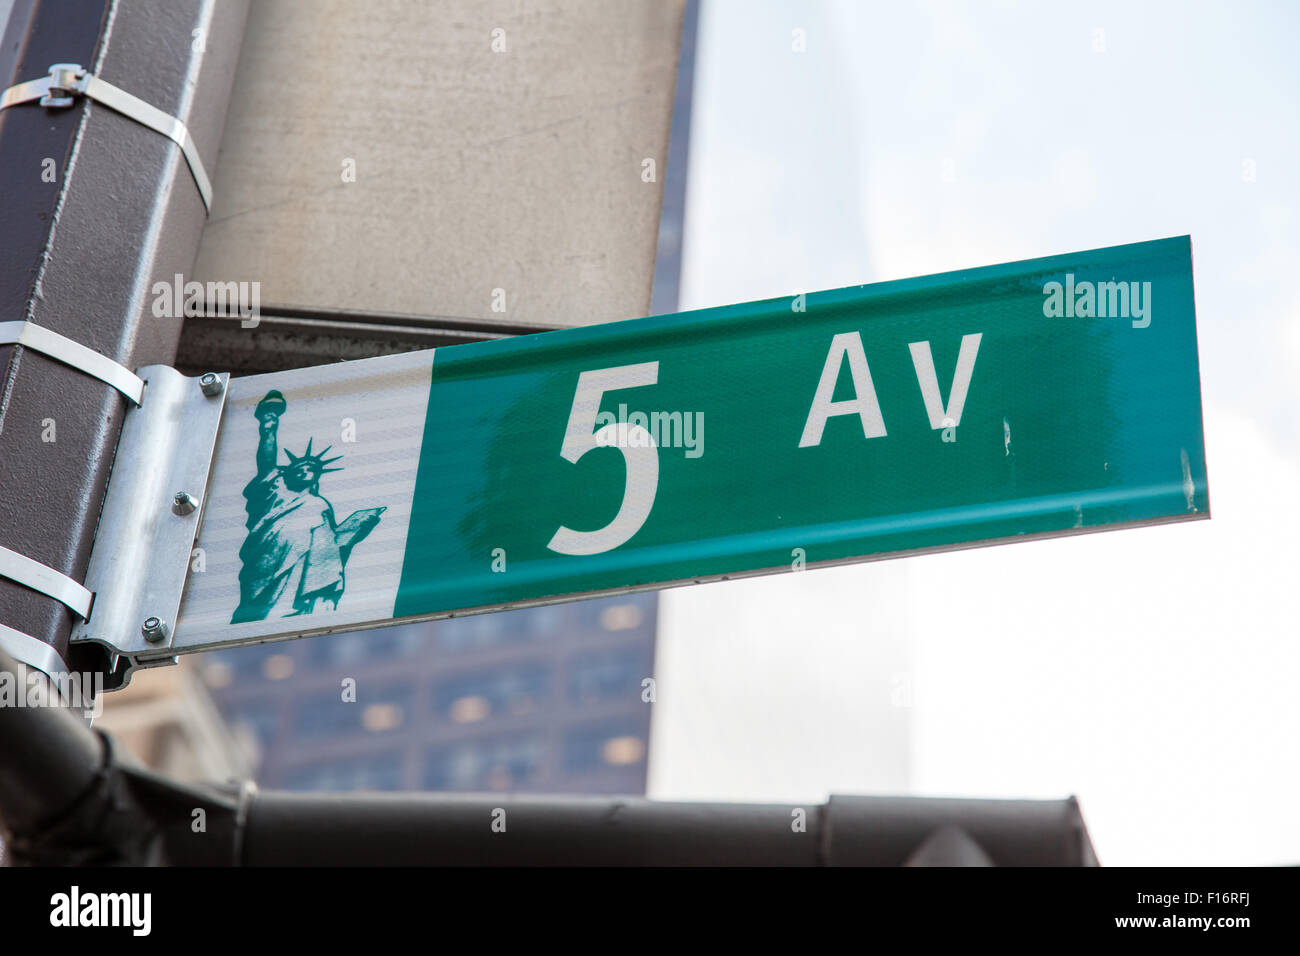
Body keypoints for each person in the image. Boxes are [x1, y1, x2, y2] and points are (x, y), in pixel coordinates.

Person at [231, 390, 384, 623]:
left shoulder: (319, 504)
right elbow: (267, 460)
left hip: (303, 575)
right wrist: (269, 424)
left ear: (316, 477)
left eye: (312, 468)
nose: (305, 469)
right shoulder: (275, 489)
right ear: (288, 471)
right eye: (300, 466)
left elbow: (330, 548)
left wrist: (356, 525)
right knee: (254, 613)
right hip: (265, 561)